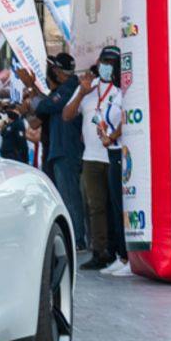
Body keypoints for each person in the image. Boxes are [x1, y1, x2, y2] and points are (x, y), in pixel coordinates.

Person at [64, 47, 126, 275]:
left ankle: (120, 251)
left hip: (114, 153)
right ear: (98, 62)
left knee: (116, 206)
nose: (108, 66)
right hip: (91, 155)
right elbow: (67, 115)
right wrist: (81, 93)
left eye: (112, 62)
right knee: (96, 207)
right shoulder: (88, 88)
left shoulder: (120, 88)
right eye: (105, 61)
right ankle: (101, 252)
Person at [25, 53, 87, 260]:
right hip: (57, 150)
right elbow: (37, 118)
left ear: (59, 71)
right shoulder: (61, 90)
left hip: (67, 151)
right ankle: (72, 237)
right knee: (62, 197)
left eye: (53, 68)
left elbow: (44, 107)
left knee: (70, 198)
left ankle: (78, 239)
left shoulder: (69, 88)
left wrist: (33, 88)